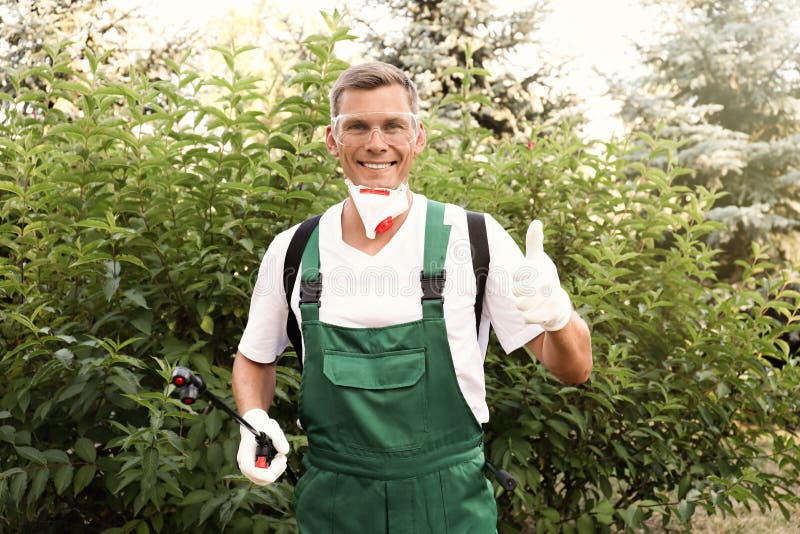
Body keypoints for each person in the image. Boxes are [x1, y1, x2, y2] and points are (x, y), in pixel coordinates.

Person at [232, 61, 592, 533]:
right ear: (331, 139)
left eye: (393, 126)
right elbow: (255, 358)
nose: (376, 143)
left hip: (448, 506)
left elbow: (575, 368)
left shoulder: (472, 237)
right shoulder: (293, 250)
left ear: (418, 137)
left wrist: (557, 316)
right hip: (336, 505)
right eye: (357, 126)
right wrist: (253, 418)